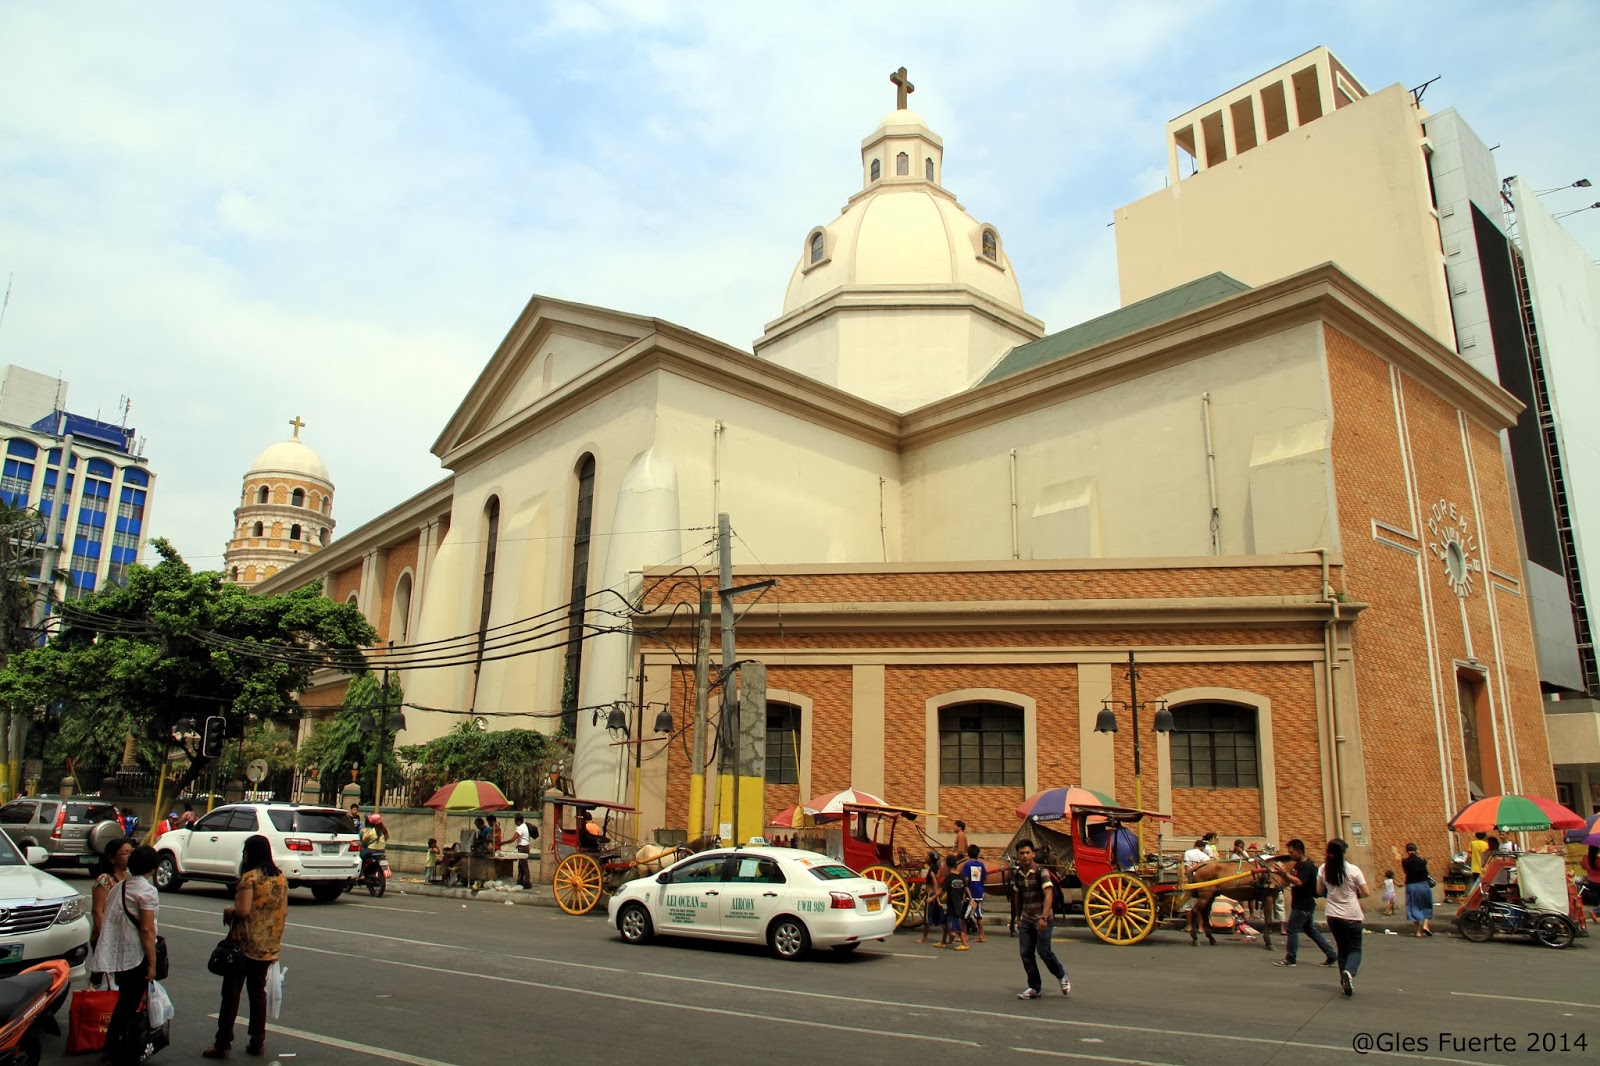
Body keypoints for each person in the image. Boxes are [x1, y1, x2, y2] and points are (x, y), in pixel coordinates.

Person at [204, 834, 288, 1060]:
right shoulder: (279, 878)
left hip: (244, 944)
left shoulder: (249, 879)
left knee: (231, 994)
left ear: (250, 854)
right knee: (257, 993)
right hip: (268, 945)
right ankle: (257, 1041)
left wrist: (228, 911)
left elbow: (242, 911)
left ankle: (223, 1043)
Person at [91, 845, 159, 1065]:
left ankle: (113, 1047)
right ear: (152, 868)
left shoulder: (119, 887)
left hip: (120, 955)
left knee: (124, 1003)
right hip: (136, 955)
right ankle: (121, 1048)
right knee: (129, 1005)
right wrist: (152, 963)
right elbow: (147, 929)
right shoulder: (147, 891)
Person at [1011, 839, 1069, 999]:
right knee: (1026, 954)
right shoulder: (1018, 874)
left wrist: (1044, 918)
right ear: (1017, 855)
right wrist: (1018, 917)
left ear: (1033, 854)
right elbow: (1017, 896)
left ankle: (1061, 975)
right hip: (1026, 918)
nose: (1025, 856)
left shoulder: (1041, 872)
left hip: (1042, 918)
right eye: (1022, 853)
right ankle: (1034, 987)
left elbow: (1048, 895)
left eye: (1027, 853)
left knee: (1043, 951)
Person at [1273, 838, 1337, 968]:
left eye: (1292, 852)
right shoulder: (1298, 865)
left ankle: (1291, 958)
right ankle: (1331, 954)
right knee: (1310, 930)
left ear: (1299, 851)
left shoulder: (1307, 866)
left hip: (1303, 904)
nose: (1290, 855)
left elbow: (1299, 882)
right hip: (1301, 903)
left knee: (1291, 928)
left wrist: (1284, 874)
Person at [1317, 838, 1368, 997]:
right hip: (1352, 915)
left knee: (1342, 949)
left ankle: (1344, 979)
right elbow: (1366, 892)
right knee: (1355, 949)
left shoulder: (1323, 869)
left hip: (1333, 915)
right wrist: (1355, 893)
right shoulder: (1353, 870)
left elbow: (1319, 891)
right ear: (1343, 852)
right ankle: (1349, 972)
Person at [90, 838, 134, 959]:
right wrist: (105, 939)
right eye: (125, 853)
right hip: (108, 937)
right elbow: (97, 911)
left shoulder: (130, 876)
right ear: (112, 858)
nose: (129, 856)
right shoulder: (105, 880)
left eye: (131, 852)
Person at [1401, 843, 1434, 936]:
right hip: (1424, 885)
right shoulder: (1422, 860)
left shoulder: (1404, 861)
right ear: (1416, 850)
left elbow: (1405, 872)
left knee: (1413, 907)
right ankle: (1426, 925)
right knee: (1427, 905)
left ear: (1407, 851)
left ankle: (1418, 932)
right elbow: (1427, 872)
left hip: (1411, 886)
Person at [940, 853, 971, 950]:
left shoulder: (949, 877)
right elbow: (966, 888)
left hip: (953, 905)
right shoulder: (961, 876)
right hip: (958, 904)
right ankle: (943, 942)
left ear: (947, 864)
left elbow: (942, 890)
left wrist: (933, 898)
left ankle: (964, 944)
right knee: (945, 924)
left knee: (957, 927)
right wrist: (971, 898)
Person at [959, 845, 988, 944]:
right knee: (978, 915)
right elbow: (984, 877)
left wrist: (964, 892)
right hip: (979, 893)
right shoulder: (981, 865)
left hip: (970, 894)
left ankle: (964, 935)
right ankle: (982, 935)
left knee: (963, 916)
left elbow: (966, 880)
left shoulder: (967, 865)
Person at [916, 851, 944, 945]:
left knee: (927, 919)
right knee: (938, 917)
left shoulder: (932, 870)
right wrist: (924, 892)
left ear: (930, 859)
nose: (925, 857)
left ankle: (924, 938)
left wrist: (936, 897)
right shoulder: (936, 868)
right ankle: (949, 934)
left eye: (927, 856)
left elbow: (935, 884)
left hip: (931, 895)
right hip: (931, 894)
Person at [360, 813, 388, 881]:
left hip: (371, 850)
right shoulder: (385, 831)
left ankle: (361, 874)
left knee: (359, 857)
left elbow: (364, 840)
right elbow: (386, 838)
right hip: (382, 851)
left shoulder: (371, 831)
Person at [509, 813, 534, 889]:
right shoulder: (525, 826)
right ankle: (520, 880)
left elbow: (513, 839)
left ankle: (527, 882)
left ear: (518, 820)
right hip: (525, 847)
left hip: (523, 848)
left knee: (524, 865)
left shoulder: (520, 828)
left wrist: (503, 842)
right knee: (521, 865)